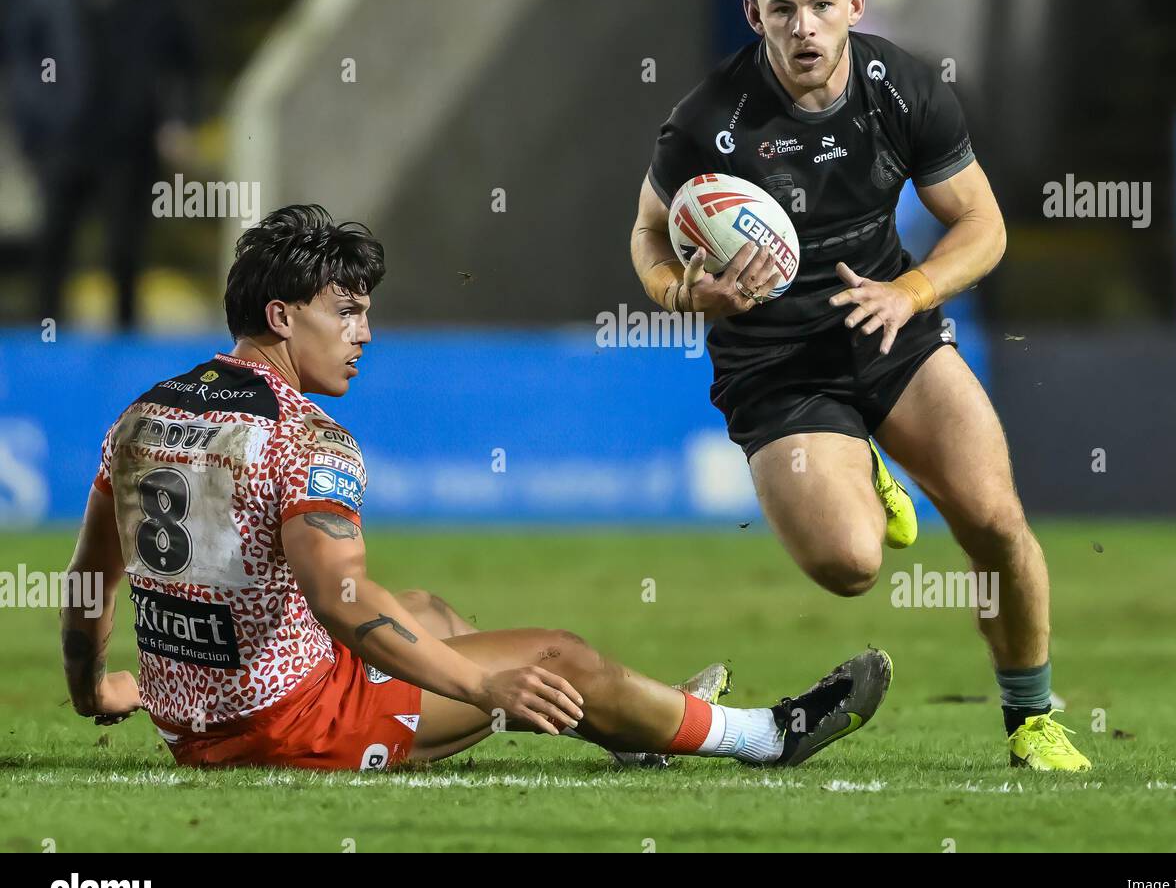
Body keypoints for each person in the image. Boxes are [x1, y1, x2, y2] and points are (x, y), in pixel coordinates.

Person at [60, 204, 891, 772]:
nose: (364, 334)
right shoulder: (307, 437)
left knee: (427, 611)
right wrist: (485, 690)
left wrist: (92, 688)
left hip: (193, 724)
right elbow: (341, 603)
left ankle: (637, 734)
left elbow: (89, 580)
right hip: (293, 729)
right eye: (344, 312)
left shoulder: (140, 416)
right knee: (558, 656)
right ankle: (765, 737)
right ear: (282, 317)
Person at [629, 0, 1090, 771]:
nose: (804, 28)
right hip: (773, 362)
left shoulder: (905, 88)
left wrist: (911, 292)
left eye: (820, 6)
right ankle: (862, 458)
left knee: (995, 521)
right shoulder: (707, 119)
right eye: (782, 10)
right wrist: (683, 293)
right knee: (849, 566)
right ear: (753, 14)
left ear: (853, 6)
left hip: (890, 322)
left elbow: (982, 226)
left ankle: (1031, 722)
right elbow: (649, 235)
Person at [4, 0, 197, 329]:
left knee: (125, 255)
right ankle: (46, 350)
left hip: (127, 143)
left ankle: (124, 359)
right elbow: (21, 60)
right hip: (62, 143)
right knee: (53, 251)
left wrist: (177, 120)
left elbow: (183, 59)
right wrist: (37, 121)